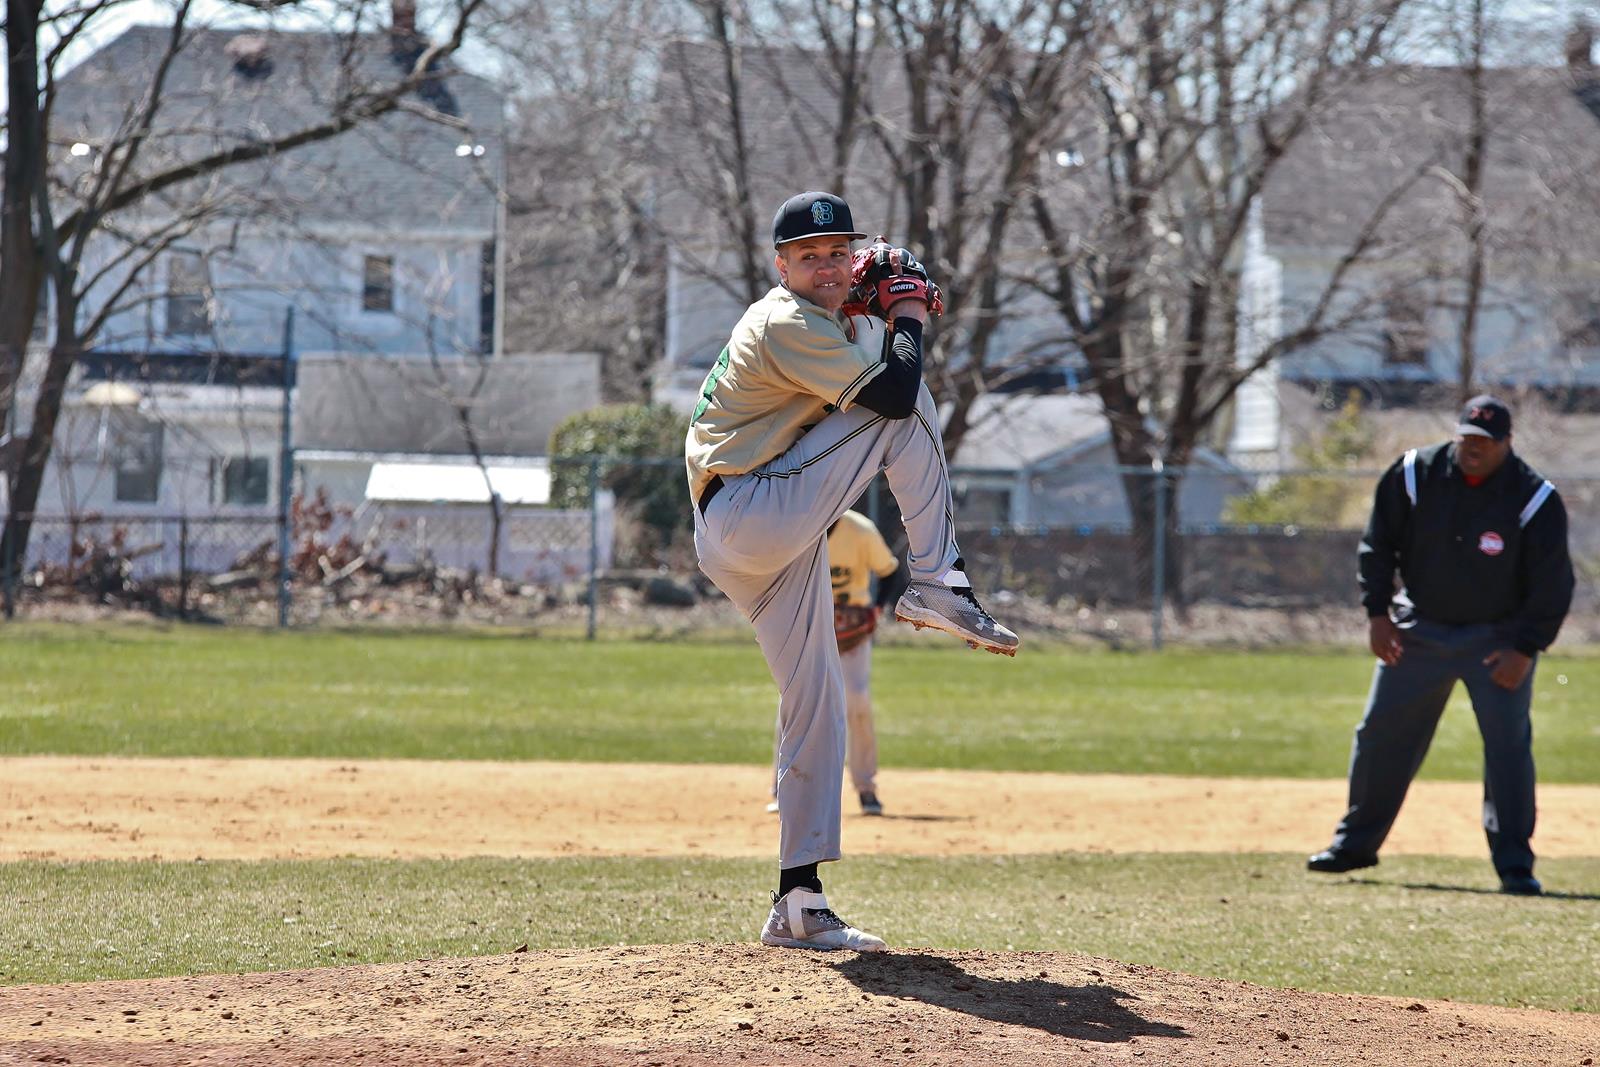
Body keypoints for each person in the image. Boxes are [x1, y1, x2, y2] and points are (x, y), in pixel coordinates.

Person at [687, 190, 1018, 953]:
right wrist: (905, 316)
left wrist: (877, 315)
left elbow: (872, 373)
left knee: (818, 699)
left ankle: (797, 899)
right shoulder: (785, 318)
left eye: (840, 251)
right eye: (809, 256)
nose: (828, 266)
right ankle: (938, 580)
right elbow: (896, 394)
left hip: (754, 528)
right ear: (781, 265)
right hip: (753, 507)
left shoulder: (826, 321)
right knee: (910, 399)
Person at [1308, 395, 1573, 896]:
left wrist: (1525, 648)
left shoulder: (1533, 496)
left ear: (1507, 444)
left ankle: (1515, 865)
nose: (1474, 449)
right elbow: (1377, 545)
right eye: (1467, 438)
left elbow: (1552, 584)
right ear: (1457, 435)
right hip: (1419, 629)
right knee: (1380, 734)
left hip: (1497, 639)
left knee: (1507, 750)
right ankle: (1355, 845)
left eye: (1486, 443)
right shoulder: (1413, 474)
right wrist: (1377, 613)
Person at [766, 510, 906, 818]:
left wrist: (877, 609)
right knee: (793, 703)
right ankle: (783, 788)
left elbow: (889, 571)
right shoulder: (797, 526)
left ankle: (866, 786)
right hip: (808, 627)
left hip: (852, 631)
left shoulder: (859, 530)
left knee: (857, 699)